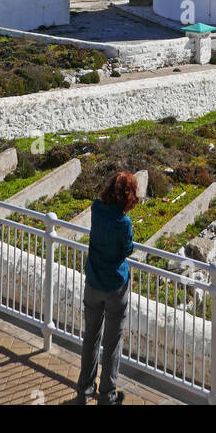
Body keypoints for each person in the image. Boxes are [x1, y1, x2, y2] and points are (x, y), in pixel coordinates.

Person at [76, 170, 139, 406]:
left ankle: (84, 389)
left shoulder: (95, 209)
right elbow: (127, 249)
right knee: (112, 343)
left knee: (90, 337)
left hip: (93, 283)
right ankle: (107, 395)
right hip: (115, 287)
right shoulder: (124, 222)